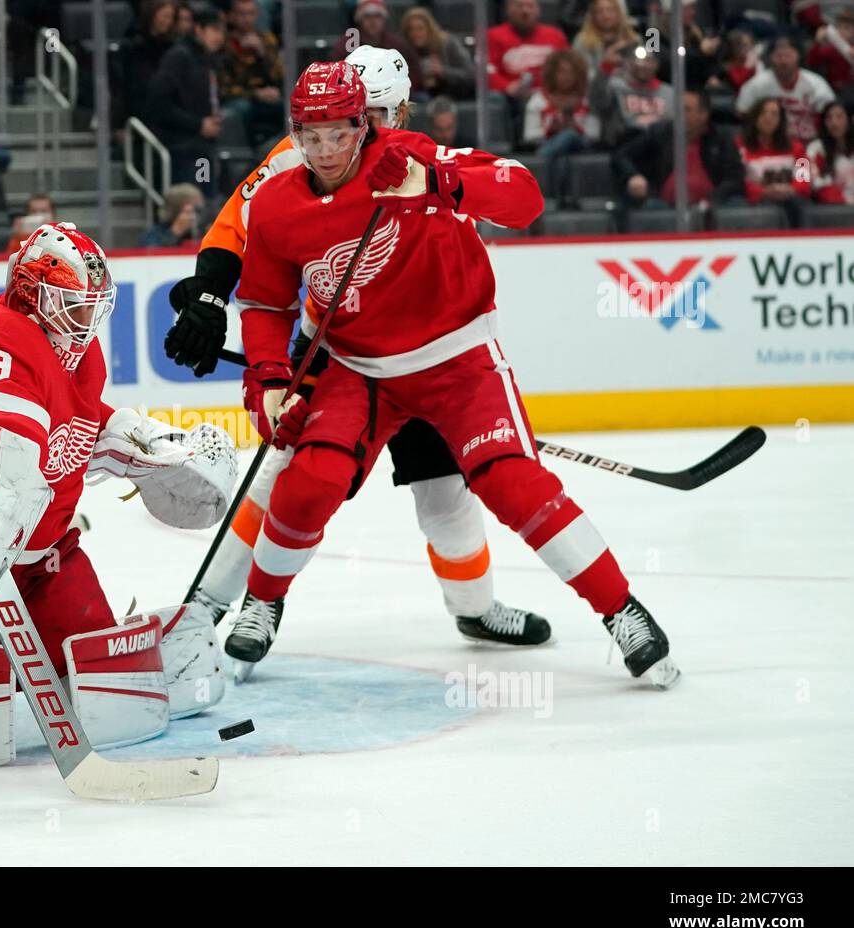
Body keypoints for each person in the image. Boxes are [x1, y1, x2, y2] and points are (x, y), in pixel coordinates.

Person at [222, 60, 678, 688]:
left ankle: (621, 611)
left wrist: (431, 181)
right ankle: (260, 600)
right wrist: (268, 384)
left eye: (340, 133)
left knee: (511, 484)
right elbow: (267, 305)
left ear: (364, 124)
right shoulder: (275, 200)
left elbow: (523, 194)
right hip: (359, 369)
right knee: (307, 480)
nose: (325, 151)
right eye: (310, 135)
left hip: (456, 359)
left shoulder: (408, 153)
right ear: (293, 133)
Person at [163, 47, 552, 652]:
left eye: (383, 112)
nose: (372, 127)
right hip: (338, 352)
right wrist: (212, 297)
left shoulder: (420, 158)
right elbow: (236, 230)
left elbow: (497, 210)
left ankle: (475, 608)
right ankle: (218, 607)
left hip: (429, 356)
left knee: (445, 493)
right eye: (364, 113)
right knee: (285, 478)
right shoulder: (306, 152)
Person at [0, 221, 232, 693]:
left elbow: (70, 423)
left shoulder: (80, 352)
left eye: (91, 309)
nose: (84, 324)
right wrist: (11, 476)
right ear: (32, 295)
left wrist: (138, 441)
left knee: (98, 678)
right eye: (73, 307)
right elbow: (4, 424)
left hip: (37, 559)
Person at [613, 89, 745, 209]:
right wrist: (632, 176)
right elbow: (621, 155)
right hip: (664, 204)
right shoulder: (660, 132)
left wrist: (713, 200)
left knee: (736, 205)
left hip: (712, 204)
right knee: (652, 207)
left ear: (703, 114)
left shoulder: (721, 138)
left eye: (686, 109)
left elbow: (734, 176)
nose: (679, 114)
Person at [147, 5, 227, 195]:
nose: (219, 37)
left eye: (222, 32)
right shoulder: (179, 57)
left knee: (208, 200)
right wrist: (198, 124)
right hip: (184, 148)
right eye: (214, 30)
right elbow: (158, 103)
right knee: (194, 200)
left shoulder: (208, 59)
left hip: (204, 147)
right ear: (198, 29)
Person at [523, 49, 599, 202]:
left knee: (569, 135)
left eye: (571, 73)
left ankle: (542, 159)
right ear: (552, 74)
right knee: (562, 158)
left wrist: (576, 128)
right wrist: (550, 130)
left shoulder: (587, 100)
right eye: (561, 72)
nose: (566, 77)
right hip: (551, 144)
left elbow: (595, 134)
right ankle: (561, 200)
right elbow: (529, 135)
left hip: (582, 146)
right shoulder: (539, 100)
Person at [736, 35, 835, 143]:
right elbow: (742, 114)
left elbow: (833, 116)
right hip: (771, 145)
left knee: (804, 160)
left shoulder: (816, 84)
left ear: (798, 56)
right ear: (770, 58)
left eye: (788, 55)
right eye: (778, 56)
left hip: (809, 145)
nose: (783, 61)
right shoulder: (756, 85)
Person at [738, 97, 811, 225]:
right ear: (755, 117)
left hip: (792, 199)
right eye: (763, 113)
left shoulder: (797, 147)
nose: (768, 118)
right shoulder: (740, 146)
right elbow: (737, 179)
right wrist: (763, 192)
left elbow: (804, 178)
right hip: (757, 201)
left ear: (780, 120)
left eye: (774, 114)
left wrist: (790, 190)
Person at [219, 0, 284, 146]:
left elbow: (280, 77)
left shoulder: (267, 39)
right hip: (241, 98)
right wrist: (255, 94)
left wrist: (262, 54)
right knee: (242, 108)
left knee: (289, 106)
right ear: (231, 16)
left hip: (268, 97)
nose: (247, 19)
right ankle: (248, 152)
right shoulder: (223, 43)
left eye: (251, 14)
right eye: (242, 14)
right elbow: (225, 88)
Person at [589, 45, 674, 148]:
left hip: (659, 146)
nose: (645, 65)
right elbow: (598, 103)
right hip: (624, 144)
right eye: (641, 60)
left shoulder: (669, 93)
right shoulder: (616, 87)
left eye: (650, 61)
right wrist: (606, 67)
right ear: (629, 63)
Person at [114, 0, 179, 127]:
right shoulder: (133, 45)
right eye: (165, 16)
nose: (168, 21)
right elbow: (124, 85)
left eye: (171, 17)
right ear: (152, 14)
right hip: (137, 106)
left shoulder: (174, 47)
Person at [486, 0, 569, 100]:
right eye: (519, 6)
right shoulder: (493, 36)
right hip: (511, 98)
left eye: (530, 6)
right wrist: (507, 86)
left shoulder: (555, 36)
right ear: (508, 9)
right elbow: (487, 70)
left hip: (550, 96)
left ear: (538, 10)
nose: (525, 11)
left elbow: (568, 68)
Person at [332, 1, 422, 84]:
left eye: (377, 16)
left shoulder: (398, 45)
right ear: (359, 19)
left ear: (384, 19)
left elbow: (414, 72)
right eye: (367, 16)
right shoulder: (346, 45)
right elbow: (335, 74)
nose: (373, 21)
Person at [399, 6, 475, 100]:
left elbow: (470, 75)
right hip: (419, 97)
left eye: (420, 28)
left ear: (429, 29)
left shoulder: (447, 44)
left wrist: (443, 71)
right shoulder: (403, 50)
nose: (415, 33)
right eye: (411, 29)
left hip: (453, 94)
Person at [571, 0, 638, 77]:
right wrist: (606, 65)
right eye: (600, 12)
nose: (606, 16)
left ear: (619, 13)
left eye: (610, 10)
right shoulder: (582, 42)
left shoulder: (633, 40)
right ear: (593, 16)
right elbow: (583, 77)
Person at [809, 100, 854, 203]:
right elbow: (814, 182)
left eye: (839, 117)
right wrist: (844, 199)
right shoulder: (814, 148)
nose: (834, 122)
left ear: (849, 120)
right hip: (832, 208)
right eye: (829, 118)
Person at [139, 183, 205, 246]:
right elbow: (149, 253)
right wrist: (175, 232)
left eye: (197, 210)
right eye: (189, 211)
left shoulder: (203, 232)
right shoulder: (155, 234)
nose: (193, 216)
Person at [808, 9, 854, 97]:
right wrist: (818, 42)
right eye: (842, 27)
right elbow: (812, 62)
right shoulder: (831, 49)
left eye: (850, 28)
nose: (846, 31)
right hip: (837, 91)